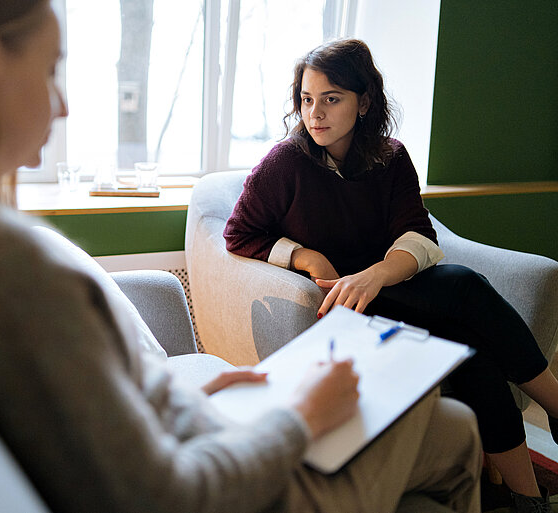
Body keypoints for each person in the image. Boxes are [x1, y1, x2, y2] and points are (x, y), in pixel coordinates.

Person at [0, 3, 482, 512]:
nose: (62, 105)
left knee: (452, 423)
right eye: (53, 69)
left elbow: (84, 408)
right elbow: (167, 495)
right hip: (254, 490)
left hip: (199, 431)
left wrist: (191, 389)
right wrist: (300, 415)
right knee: (433, 404)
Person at [223, 38, 558, 512]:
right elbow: (239, 233)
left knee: (472, 340)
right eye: (306, 99)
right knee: (464, 297)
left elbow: (419, 235)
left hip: (388, 289)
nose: (314, 113)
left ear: (364, 103)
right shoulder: (285, 164)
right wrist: (307, 258)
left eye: (331, 99)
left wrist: (376, 274)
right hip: (345, 306)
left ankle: (525, 498)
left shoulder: (390, 157)